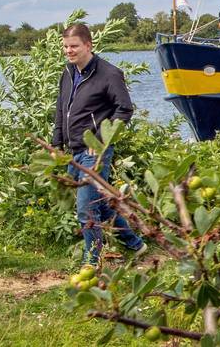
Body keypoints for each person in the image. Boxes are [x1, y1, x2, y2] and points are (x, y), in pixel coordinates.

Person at [52, 23, 146, 266]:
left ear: (88, 45)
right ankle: (136, 245)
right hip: (73, 150)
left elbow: (124, 109)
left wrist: (102, 139)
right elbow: (61, 109)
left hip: (96, 151)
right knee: (101, 204)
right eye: (65, 47)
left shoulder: (109, 74)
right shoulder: (68, 72)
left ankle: (91, 263)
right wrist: (56, 143)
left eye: (74, 46)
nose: (69, 51)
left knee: (86, 209)